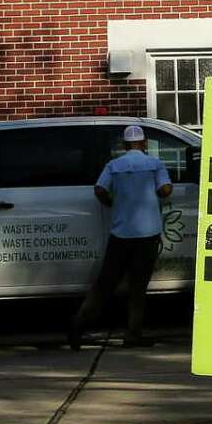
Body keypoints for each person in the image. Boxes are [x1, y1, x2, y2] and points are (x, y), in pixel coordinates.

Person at [68, 124, 172, 349]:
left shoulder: (114, 165)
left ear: (125, 145)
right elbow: (165, 190)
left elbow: (99, 189)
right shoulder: (155, 164)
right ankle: (133, 333)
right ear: (144, 143)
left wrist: (112, 203)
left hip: (121, 233)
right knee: (137, 287)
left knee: (105, 284)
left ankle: (77, 326)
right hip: (147, 233)